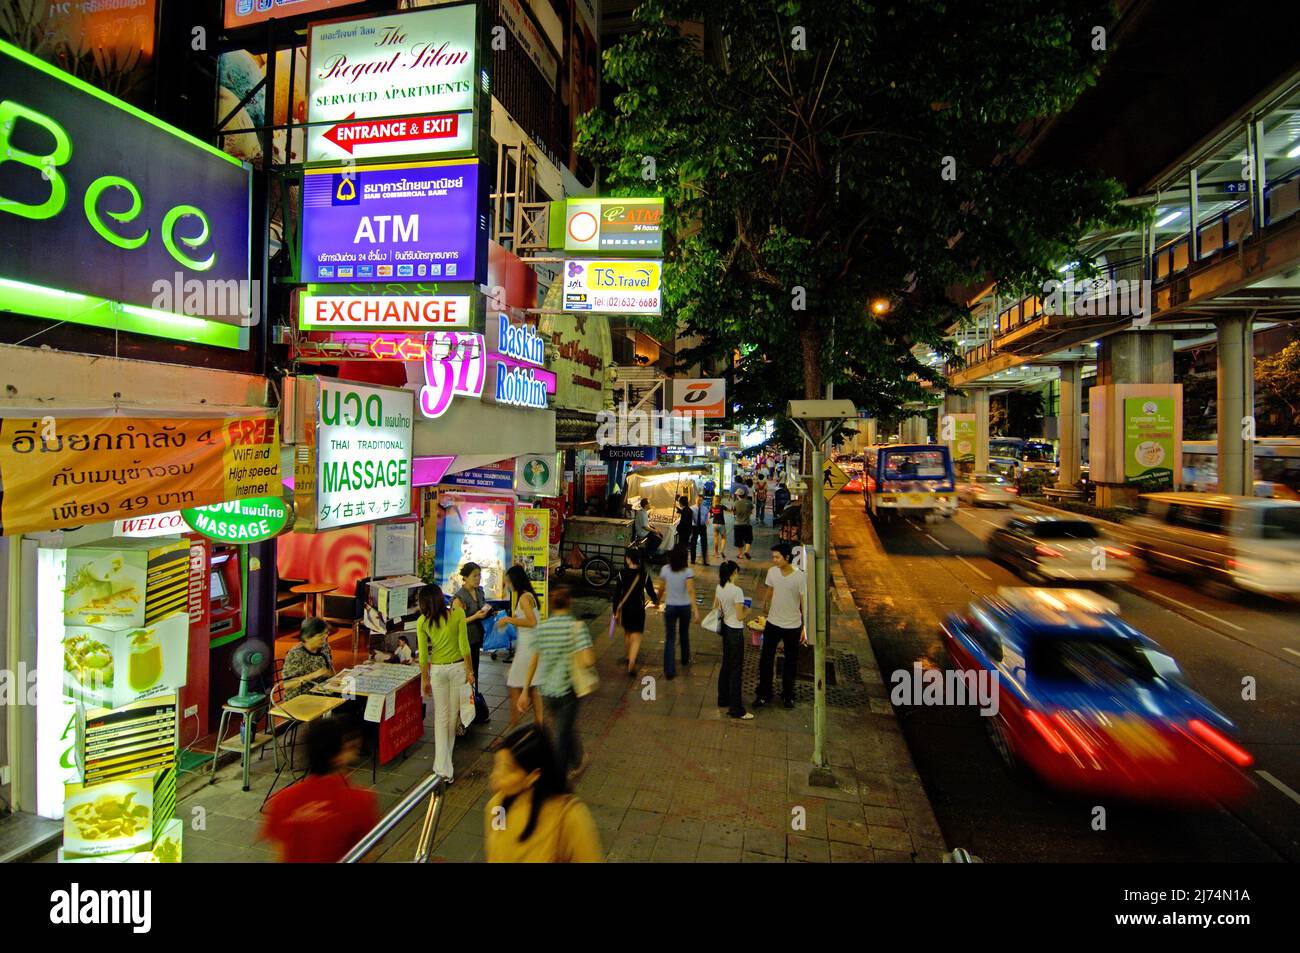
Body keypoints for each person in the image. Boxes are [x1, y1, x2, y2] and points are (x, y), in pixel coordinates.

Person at [261, 717, 377, 863]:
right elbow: (366, 856)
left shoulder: (282, 801)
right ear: (337, 757)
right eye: (351, 747)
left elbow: (280, 856)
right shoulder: (360, 801)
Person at [484, 726, 603, 863]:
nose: (495, 778)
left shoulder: (569, 817)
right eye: (497, 766)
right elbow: (494, 850)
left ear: (533, 776)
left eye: (507, 769)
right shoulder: (498, 806)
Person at [520, 586, 593, 778]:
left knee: (563, 726)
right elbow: (588, 660)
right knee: (561, 735)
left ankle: (578, 760)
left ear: (551, 605)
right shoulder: (576, 627)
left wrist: (525, 691)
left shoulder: (543, 628)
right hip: (569, 689)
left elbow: (534, 661)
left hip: (548, 690)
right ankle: (559, 780)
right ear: (570, 602)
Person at [417, 584, 473, 780]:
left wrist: (425, 679)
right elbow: (464, 645)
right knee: (451, 718)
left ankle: (443, 768)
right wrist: (470, 670)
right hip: (458, 669)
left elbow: (423, 656)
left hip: (438, 671)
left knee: (440, 719)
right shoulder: (457, 614)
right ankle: (444, 765)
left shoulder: (422, 622)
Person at [491, 565, 543, 750]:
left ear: (514, 580)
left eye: (507, 581)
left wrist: (507, 620)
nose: (505, 584)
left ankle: (513, 733)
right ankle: (540, 729)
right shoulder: (528, 595)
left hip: (527, 649)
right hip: (530, 646)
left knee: (514, 687)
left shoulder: (523, 598)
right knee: (533, 690)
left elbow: (531, 621)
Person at [754, 542, 807, 711]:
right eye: (773, 557)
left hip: (793, 625)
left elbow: (804, 602)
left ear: (787, 558)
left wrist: (805, 626)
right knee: (765, 660)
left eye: (777, 557)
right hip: (773, 623)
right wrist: (765, 607)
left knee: (791, 662)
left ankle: (788, 695)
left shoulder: (800, 577)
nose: (774, 560)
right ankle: (764, 693)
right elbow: (770, 590)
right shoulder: (772, 572)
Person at [712, 561, 753, 720]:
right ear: (733, 572)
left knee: (726, 664)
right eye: (737, 572)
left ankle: (722, 698)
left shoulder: (719, 587)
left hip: (726, 630)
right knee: (736, 670)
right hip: (735, 631)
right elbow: (740, 616)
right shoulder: (737, 591)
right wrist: (748, 610)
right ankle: (736, 708)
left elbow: (715, 607)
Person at [452, 562, 493, 716]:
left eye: (479, 576)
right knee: (466, 672)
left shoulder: (479, 591)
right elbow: (457, 622)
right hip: (465, 639)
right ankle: (465, 707)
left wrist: (488, 612)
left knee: (474, 670)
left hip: (477, 637)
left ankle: (473, 702)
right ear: (465, 577)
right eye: (474, 576)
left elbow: (484, 605)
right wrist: (476, 616)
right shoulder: (459, 598)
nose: (478, 579)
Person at [614, 545, 659, 677]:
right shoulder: (643, 575)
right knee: (637, 635)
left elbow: (617, 594)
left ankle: (629, 656)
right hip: (638, 608)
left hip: (626, 608)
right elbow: (651, 591)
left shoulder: (622, 574)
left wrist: (615, 611)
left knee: (627, 632)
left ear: (628, 559)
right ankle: (632, 662)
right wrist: (656, 601)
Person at [656, 546, 697, 679]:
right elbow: (691, 591)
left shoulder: (665, 570)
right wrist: (695, 610)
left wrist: (657, 600)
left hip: (671, 607)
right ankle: (685, 659)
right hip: (685, 607)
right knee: (684, 633)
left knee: (670, 638)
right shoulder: (688, 572)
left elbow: (661, 588)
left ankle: (669, 670)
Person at [281, 617, 335, 700]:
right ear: (307, 637)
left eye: (326, 634)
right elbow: (287, 684)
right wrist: (314, 675)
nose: (324, 638)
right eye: (320, 636)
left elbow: (331, 670)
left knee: (352, 699)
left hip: (323, 692)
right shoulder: (295, 654)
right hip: (300, 698)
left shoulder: (324, 647)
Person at [732, 488, 754, 559]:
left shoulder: (735, 503)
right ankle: (746, 551)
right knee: (748, 539)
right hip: (747, 524)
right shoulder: (749, 502)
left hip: (738, 524)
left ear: (738, 495)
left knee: (739, 540)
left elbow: (733, 513)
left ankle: (740, 555)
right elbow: (752, 511)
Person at [690, 495, 710, 565]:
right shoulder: (691, 508)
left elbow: (707, 517)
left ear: (702, 501)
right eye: (698, 500)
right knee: (693, 543)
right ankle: (693, 559)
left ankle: (704, 560)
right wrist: (692, 524)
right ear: (696, 500)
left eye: (701, 500)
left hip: (702, 527)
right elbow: (691, 518)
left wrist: (707, 521)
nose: (699, 501)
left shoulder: (705, 508)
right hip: (694, 527)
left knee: (704, 543)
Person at [710, 494, 728, 559]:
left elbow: (709, 515)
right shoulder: (721, 506)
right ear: (720, 500)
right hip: (721, 524)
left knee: (715, 539)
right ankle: (722, 550)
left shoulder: (712, 507)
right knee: (724, 537)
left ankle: (716, 553)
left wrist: (713, 515)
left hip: (714, 524)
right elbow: (729, 510)